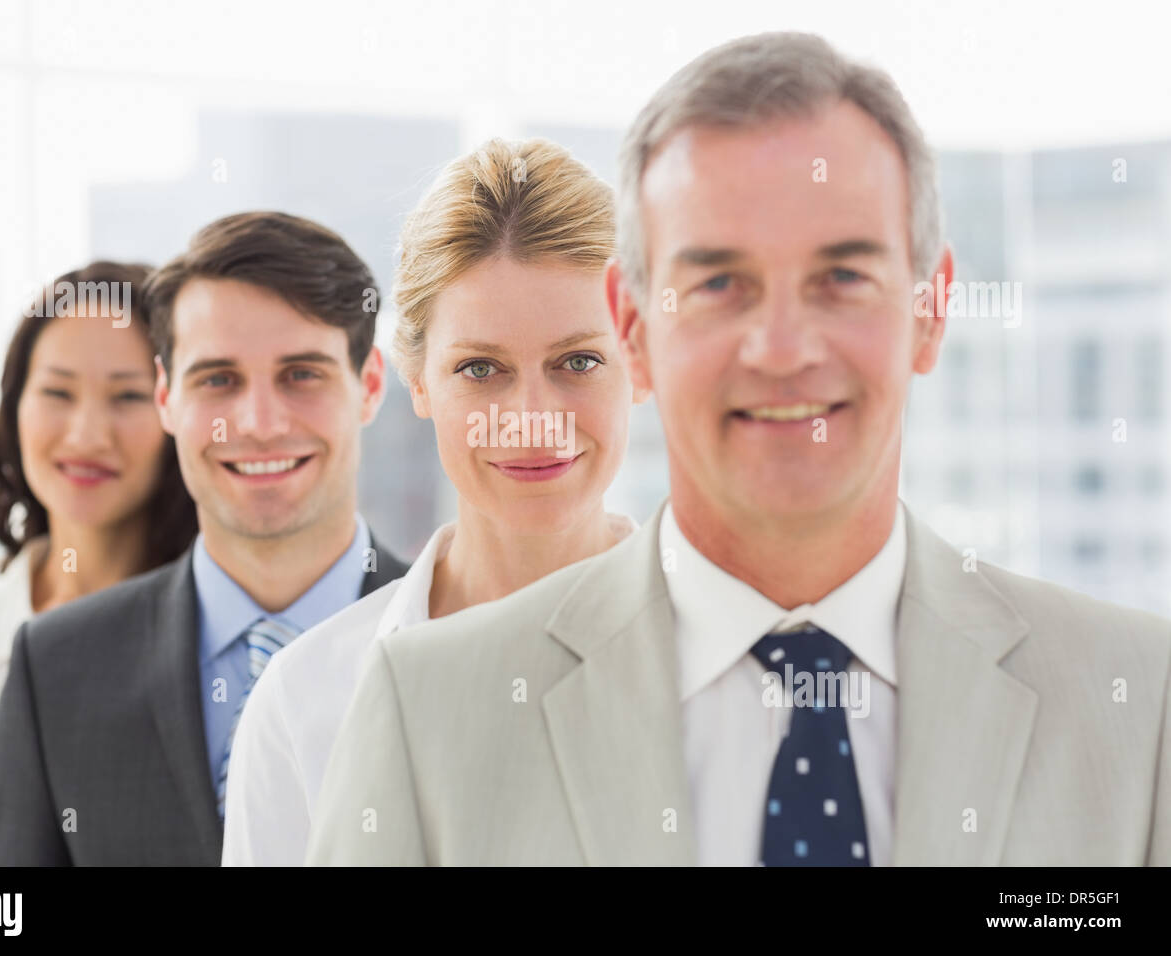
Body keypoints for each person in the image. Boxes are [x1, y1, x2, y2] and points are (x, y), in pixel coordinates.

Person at [305, 32, 1171, 866]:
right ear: (635, 325)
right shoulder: (427, 715)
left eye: (842, 277)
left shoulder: (1137, 707)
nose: (783, 347)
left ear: (930, 307)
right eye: (720, 282)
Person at [221, 138, 646, 865]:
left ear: (637, 357)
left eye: (579, 361)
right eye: (481, 369)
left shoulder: (746, 663)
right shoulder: (307, 704)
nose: (532, 416)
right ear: (417, 379)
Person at [0, 212, 409, 865]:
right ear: (166, 396)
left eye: (301, 374)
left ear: (370, 385)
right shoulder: (56, 668)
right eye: (218, 379)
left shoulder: (457, 636)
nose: (260, 423)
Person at [0, 261, 198, 866]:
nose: (86, 433)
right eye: (56, 392)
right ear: (15, 407)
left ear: (173, 409)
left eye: (127, 395)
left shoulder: (226, 629)